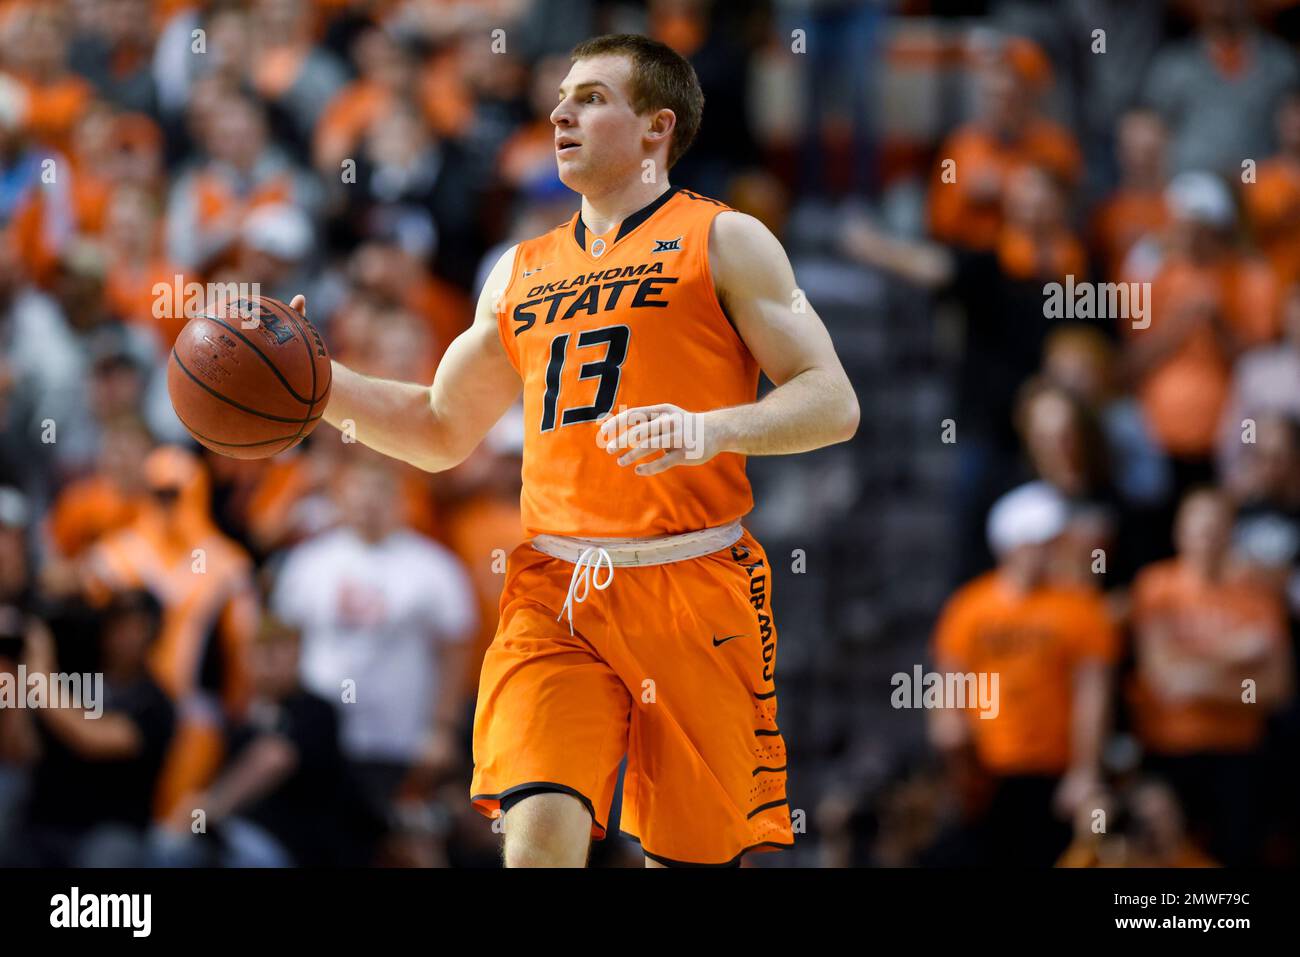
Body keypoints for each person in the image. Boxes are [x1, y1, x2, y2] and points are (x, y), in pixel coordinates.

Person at [294, 33, 859, 867]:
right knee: (537, 836)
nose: (560, 111)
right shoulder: (517, 271)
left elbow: (833, 400)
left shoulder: (725, 239)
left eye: (592, 97)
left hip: (692, 582)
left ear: (657, 127)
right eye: (561, 96)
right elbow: (443, 426)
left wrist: (713, 428)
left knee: (692, 858)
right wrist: (320, 382)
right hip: (555, 586)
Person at [929, 482, 1120, 866]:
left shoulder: (1080, 608)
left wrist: (1084, 770)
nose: (1051, 550)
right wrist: (954, 748)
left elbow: (1092, 694)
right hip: (986, 772)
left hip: (1053, 771)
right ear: (1012, 545)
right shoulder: (970, 608)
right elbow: (949, 687)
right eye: (1041, 540)